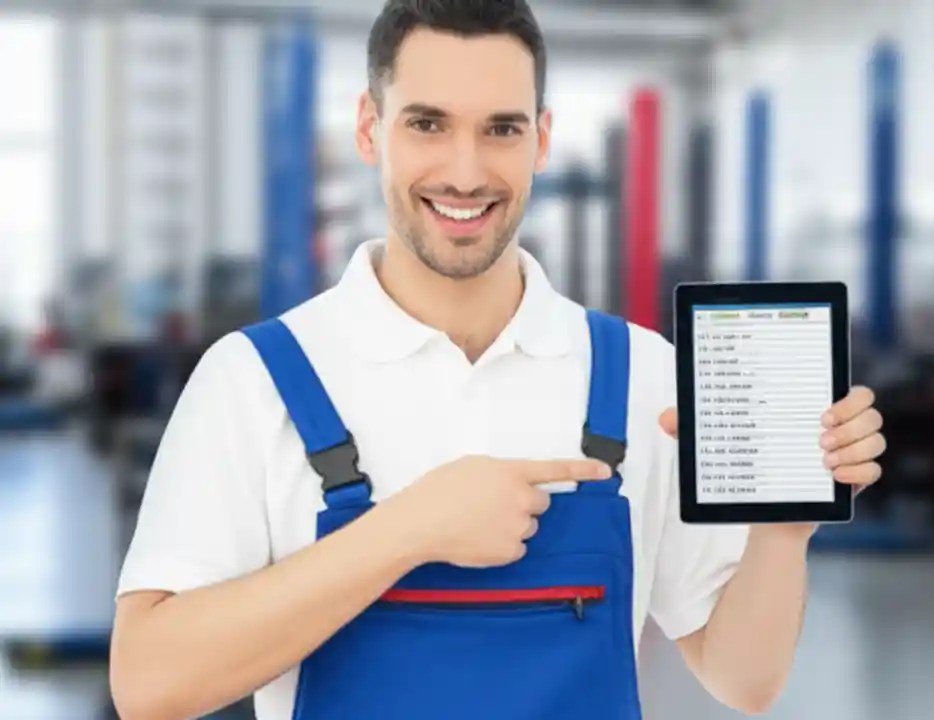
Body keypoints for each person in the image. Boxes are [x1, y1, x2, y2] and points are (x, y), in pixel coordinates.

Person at [108, 1, 887, 718]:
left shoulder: (641, 374)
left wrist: (783, 533)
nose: (466, 171)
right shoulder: (253, 380)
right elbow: (148, 683)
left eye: (501, 129)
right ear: (369, 128)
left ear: (542, 139)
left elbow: (744, 678)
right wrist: (407, 531)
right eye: (428, 124)